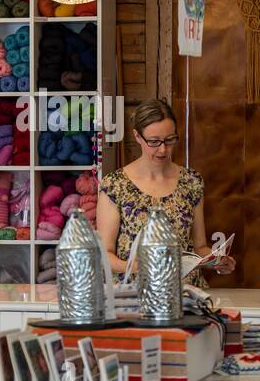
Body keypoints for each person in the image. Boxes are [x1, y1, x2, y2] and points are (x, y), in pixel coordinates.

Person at [96, 98, 234, 280]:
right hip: (135, 292)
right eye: (154, 142)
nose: (163, 150)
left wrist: (216, 261)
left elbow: (199, 247)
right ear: (137, 136)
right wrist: (140, 268)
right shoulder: (115, 185)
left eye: (170, 140)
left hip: (185, 292)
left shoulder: (191, 181)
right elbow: (104, 254)